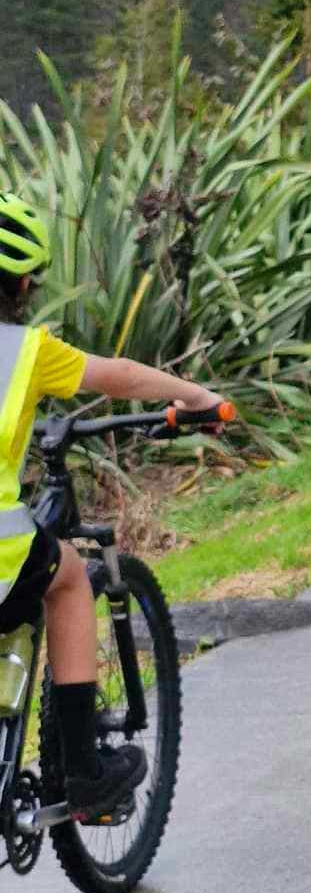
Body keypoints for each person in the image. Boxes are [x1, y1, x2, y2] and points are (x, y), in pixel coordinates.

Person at [0, 192, 222, 820]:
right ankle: (84, 770)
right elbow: (120, 377)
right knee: (68, 578)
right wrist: (199, 397)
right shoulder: (24, 350)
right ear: (20, 280)